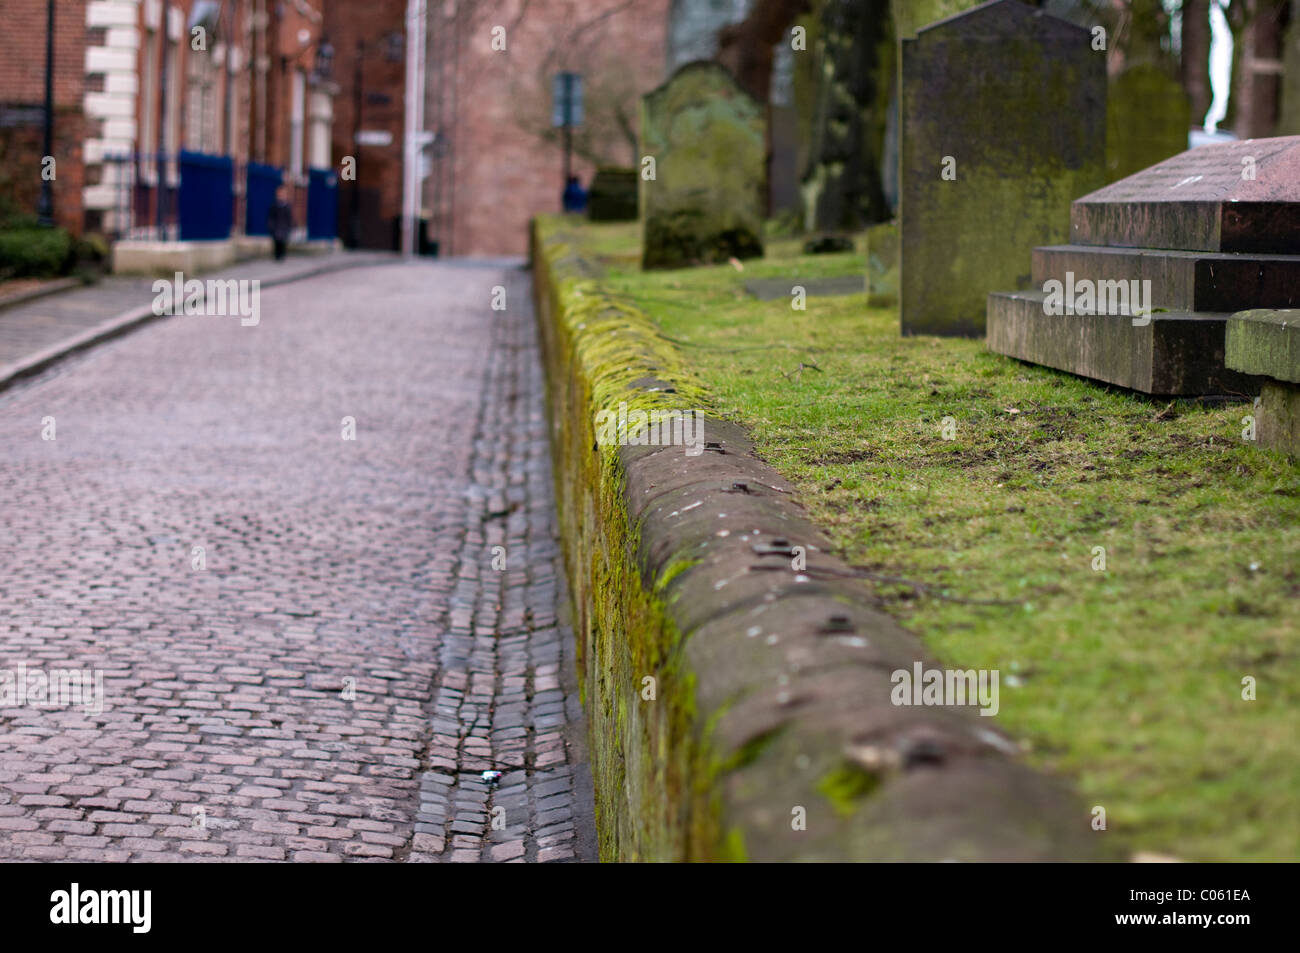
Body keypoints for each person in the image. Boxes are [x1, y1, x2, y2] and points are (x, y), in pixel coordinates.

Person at [267, 184, 293, 261]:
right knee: (276, 241)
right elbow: (271, 216)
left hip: (284, 227)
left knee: (283, 241)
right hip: (276, 226)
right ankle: (277, 256)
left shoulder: (287, 205)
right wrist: (271, 225)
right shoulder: (274, 205)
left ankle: (282, 255)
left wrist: (289, 226)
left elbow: (289, 217)